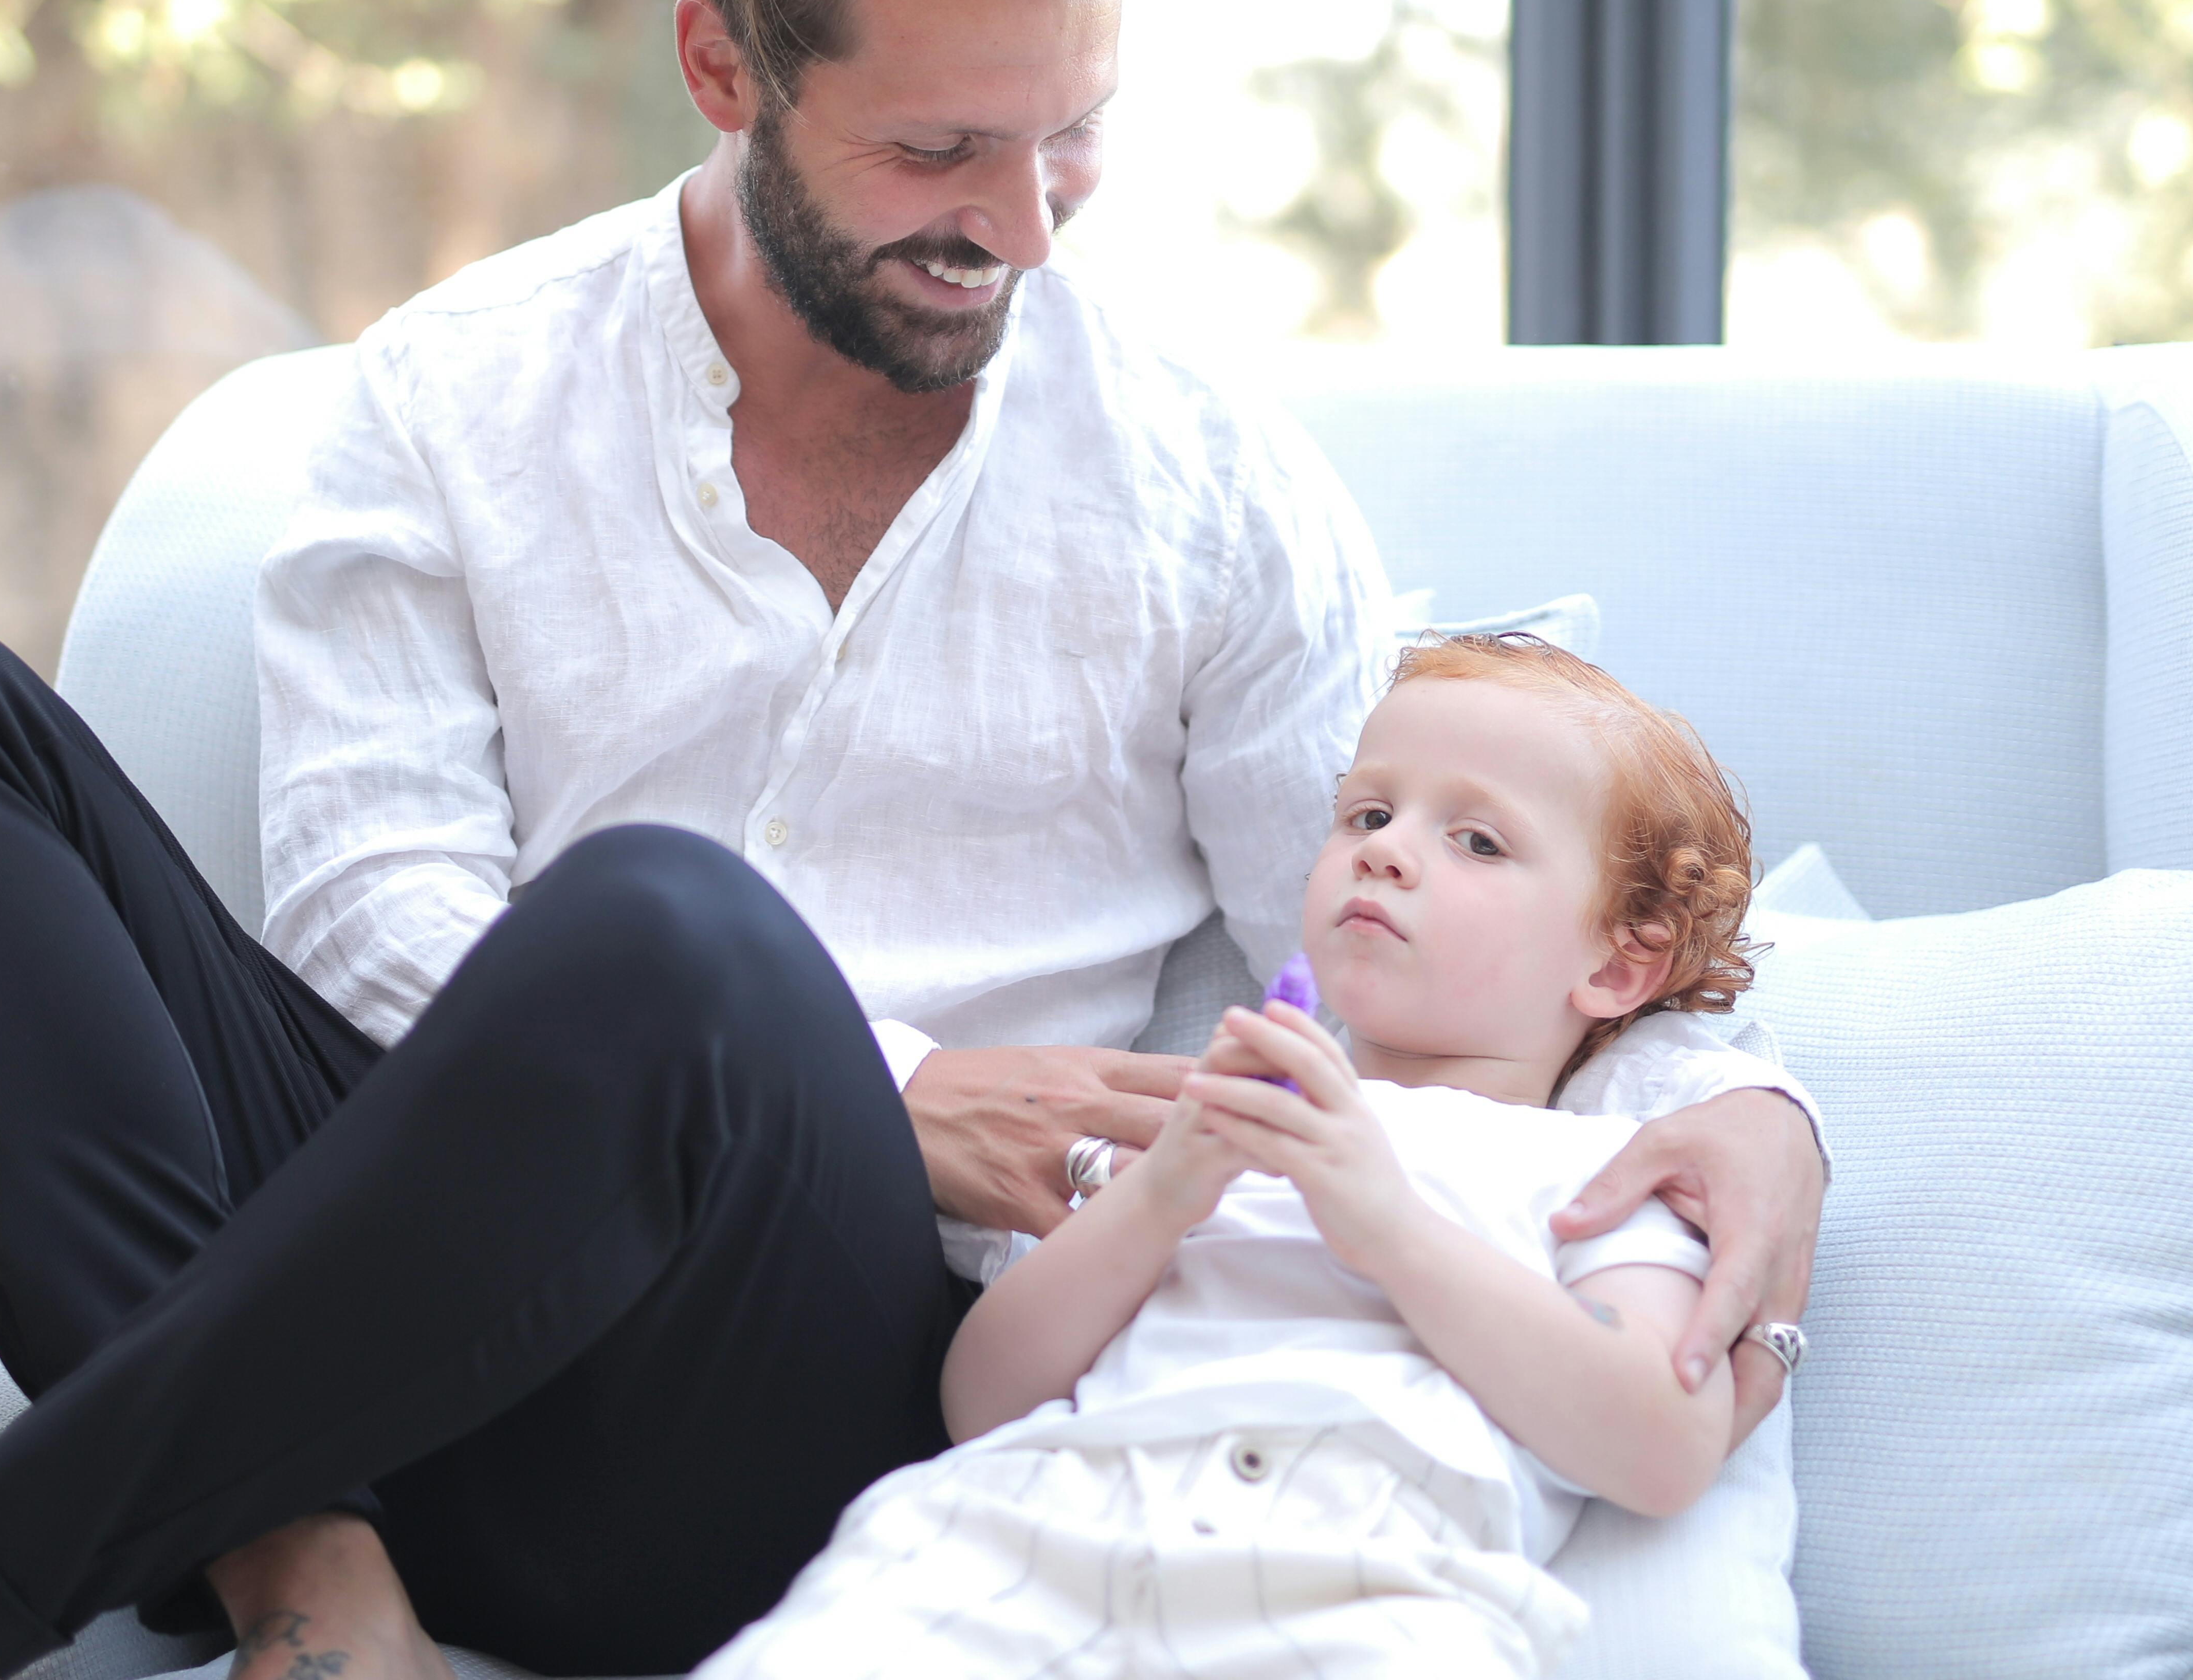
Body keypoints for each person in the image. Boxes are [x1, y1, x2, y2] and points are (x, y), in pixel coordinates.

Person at [0, 0, 1824, 1680]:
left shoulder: (1205, 482)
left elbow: (1388, 909)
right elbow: (378, 926)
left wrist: (1752, 1104)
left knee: (662, 930)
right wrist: (897, 1073)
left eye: (1069, 145)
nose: (1023, 235)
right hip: (412, 1274)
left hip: (842, 1401)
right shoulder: (452, 397)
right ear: (721, 72)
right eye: (937, 154)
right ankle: (304, 1561)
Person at [700, 632, 1771, 1680]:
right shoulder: (1205, 1118)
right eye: (1366, 811)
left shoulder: (1599, 1172)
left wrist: (1388, 1230)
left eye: (1477, 841)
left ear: (1621, 963)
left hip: (1363, 1591)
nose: (1385, 848)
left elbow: (1664, 1445)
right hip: (1022, 1537)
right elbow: (983, 1400)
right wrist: (1158, 1195)